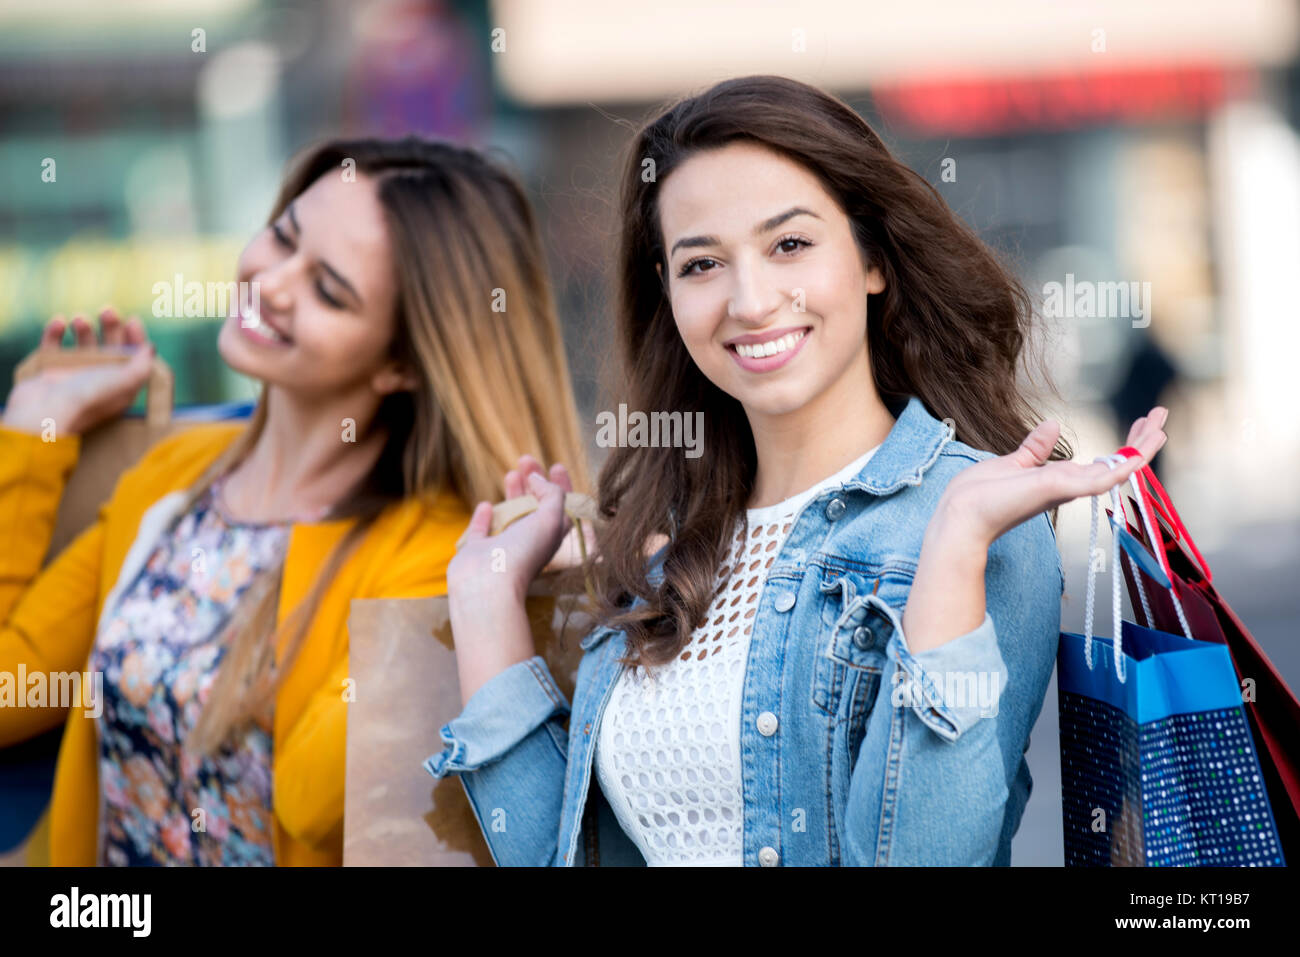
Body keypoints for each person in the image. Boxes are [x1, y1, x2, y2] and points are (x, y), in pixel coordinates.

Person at [424, 75, 1168, 866]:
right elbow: (554, 855)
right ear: (669, 294)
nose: (749, 301)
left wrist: (953, 549)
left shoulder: (975, 520)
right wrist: (484, 602)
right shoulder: (668, 542)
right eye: (702, 263)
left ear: (874, 258)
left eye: (789, 244)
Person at [0, 135, 590, 866]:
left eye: (328, 290)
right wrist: (34, 429)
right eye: (282, 237)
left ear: (401, 363)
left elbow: (311, 803)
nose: (272, 283)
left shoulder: (437, 551)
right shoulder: (168, 479)